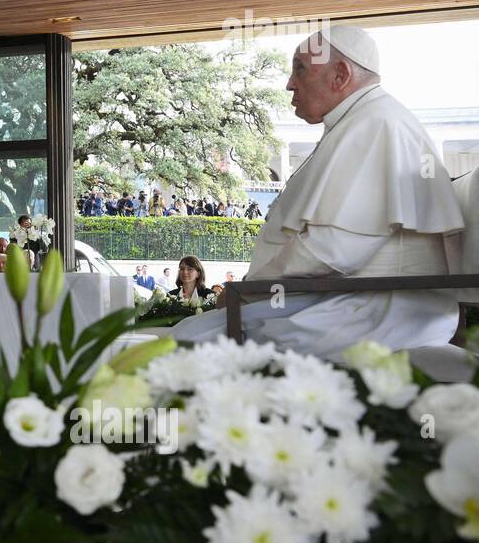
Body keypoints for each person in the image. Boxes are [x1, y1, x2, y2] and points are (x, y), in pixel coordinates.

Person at [173, 25, 465, 357]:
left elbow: (330, 250)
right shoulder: (362, 120)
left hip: (380, 312)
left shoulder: (377, 124)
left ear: (340, 75)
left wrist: (246, 291)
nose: (289, 83)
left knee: (184, 347)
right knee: (188, 336)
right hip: (355, 298)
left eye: (300, 69)